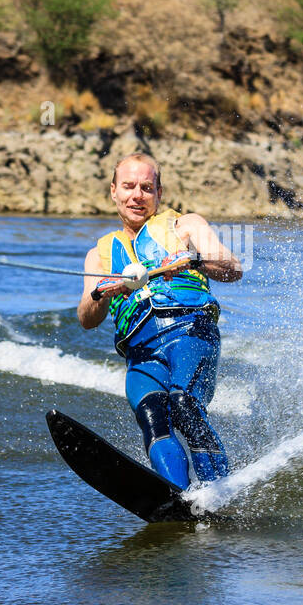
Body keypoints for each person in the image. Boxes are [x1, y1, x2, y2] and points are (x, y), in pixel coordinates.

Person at [78, 153, 243, 489]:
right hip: (141, 355)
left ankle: (219, 493)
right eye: (128, 186)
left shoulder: (186, 226)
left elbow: (233, 268)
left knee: (184, 404)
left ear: (159, 193)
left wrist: (194, 260)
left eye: (146, 187)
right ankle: (178, 499)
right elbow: (86, 319)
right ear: (113, 191)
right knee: (154, 418)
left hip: (191, 333)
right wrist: (101, 293)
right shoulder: (100, 255)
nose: (137, 195)